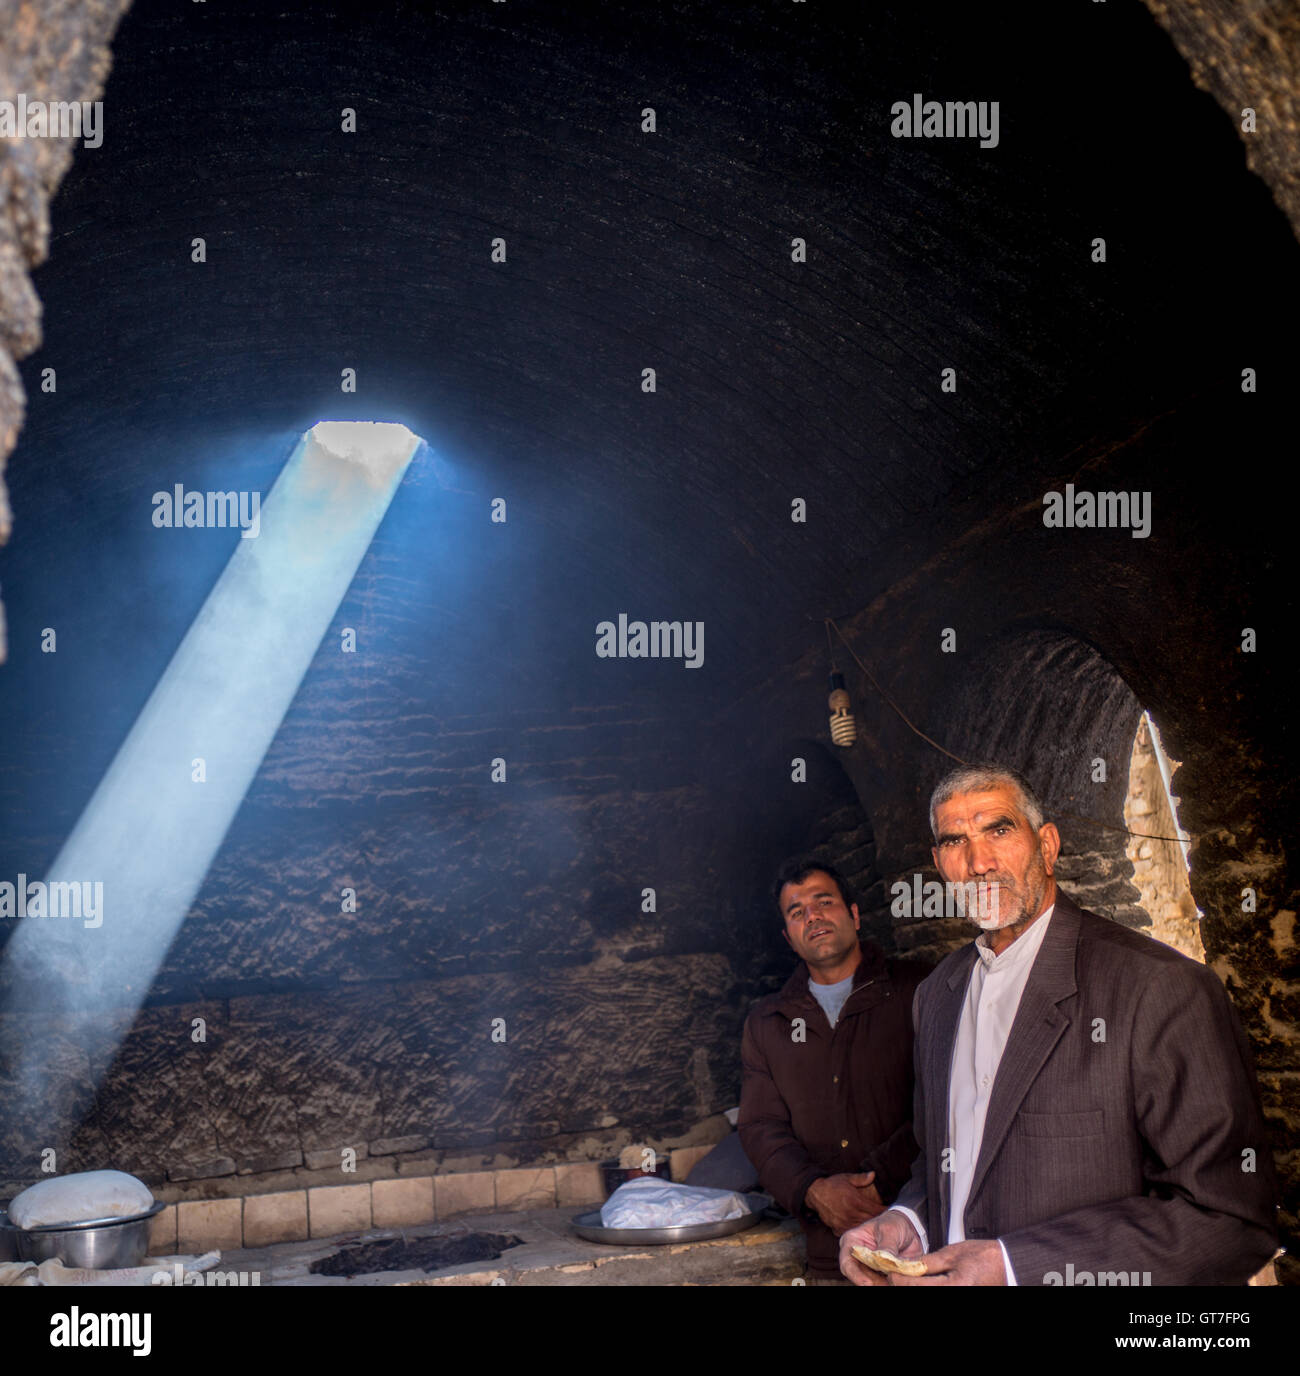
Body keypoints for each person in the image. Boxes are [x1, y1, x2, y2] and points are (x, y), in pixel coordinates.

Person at [839, 762, 1279, 1287]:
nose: (978, 861)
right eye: (956, 841)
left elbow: (1229, 1220)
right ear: (939, 863)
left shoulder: (1159, 988)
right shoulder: (937, 995)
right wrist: (906, 1219)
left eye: (999, 830)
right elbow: (949, 1163)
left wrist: (1013, 1267)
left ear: (1047, 845)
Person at [739, 857, 929, 1282]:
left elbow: (949, 1099)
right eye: (797, 911)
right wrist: (814, 1190)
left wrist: (878, 1186)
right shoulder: (769, 1023)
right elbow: (760, 1127)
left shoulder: (919, 990)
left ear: (855, 914)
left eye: (824, 902)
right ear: (788, 937)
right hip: (828, 1253)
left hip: (924, 1238)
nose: (813, 917)